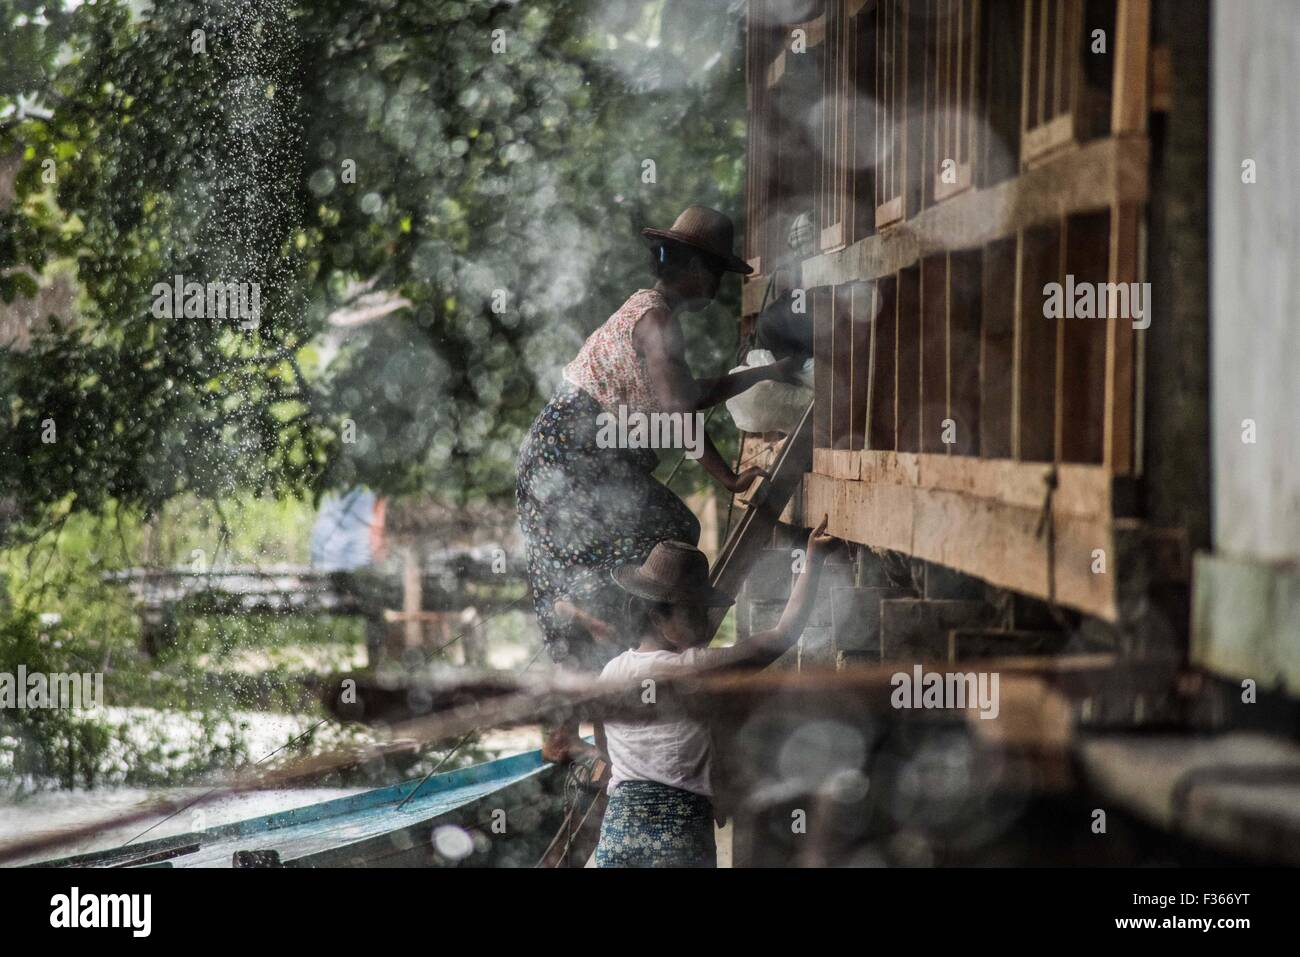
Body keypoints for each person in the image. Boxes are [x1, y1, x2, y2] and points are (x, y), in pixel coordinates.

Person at [516, 205, 798, 760]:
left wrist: (730, 463)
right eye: (714, 272)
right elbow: (679, 408)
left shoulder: (649, 313)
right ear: (690, 266)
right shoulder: (657, 319)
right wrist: (755, 390)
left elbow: (681, 407)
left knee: (598, 566)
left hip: (567, 461)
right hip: (575, 462)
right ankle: (633, 658)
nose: (716, 286)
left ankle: (589, 698)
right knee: (663, 534)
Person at [592, 517, 836, 868]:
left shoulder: (611, 672)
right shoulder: (696, 668)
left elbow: (604, 747)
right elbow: (781, 636)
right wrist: (812, 560)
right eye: (695, 611)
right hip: (680, 833)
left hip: (618, 831)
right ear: (659, 616)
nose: (705, 622)